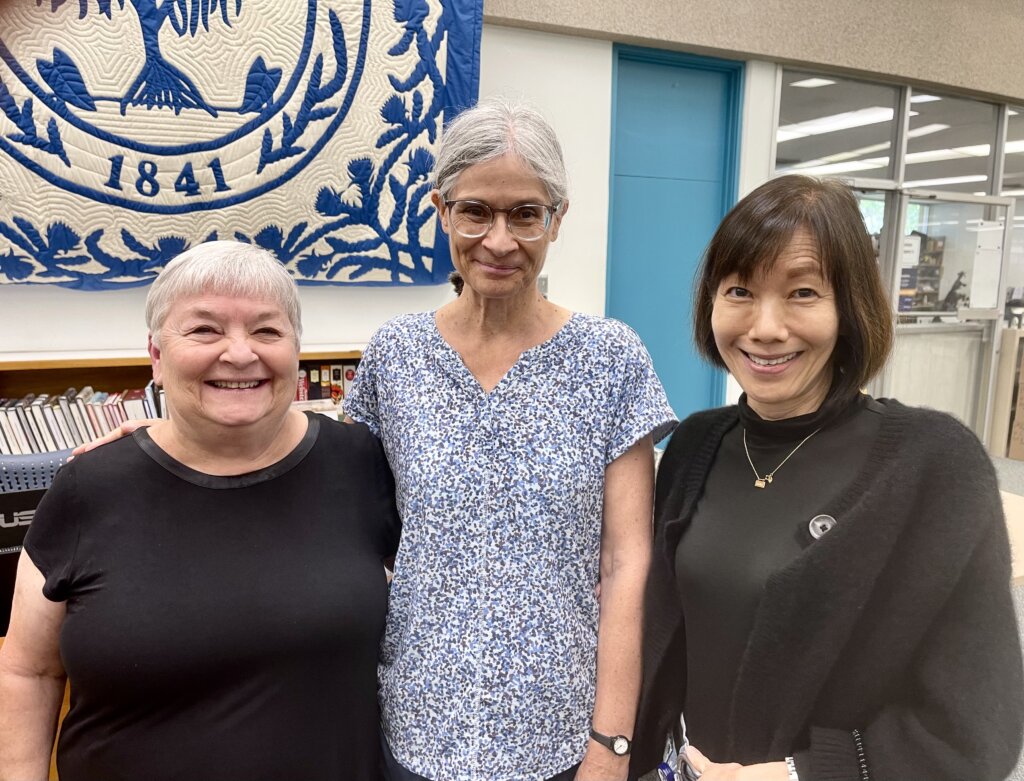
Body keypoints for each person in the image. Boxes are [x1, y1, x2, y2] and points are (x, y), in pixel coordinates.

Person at [631, 175, 1024, 781]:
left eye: (803, 293)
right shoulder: (693, 446)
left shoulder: (934, 467)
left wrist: (800, 774)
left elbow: (975, 731)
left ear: (851, 308)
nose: (764, 327)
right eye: (739, 290)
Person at [344, 98, 676, 781]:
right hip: (416, 727)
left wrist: (611, 745)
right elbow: (341, 505)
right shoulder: (395, 356)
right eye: (476, 211)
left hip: (558, 736)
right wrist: (177, 427)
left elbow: (626, 563)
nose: (499, 239)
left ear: (557, 219)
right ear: (441, 209)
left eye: (525, 213)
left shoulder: (610, 360)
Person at [0, 241, 400, 781]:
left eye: (266, 330)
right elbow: (29, 670)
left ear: (296, 349)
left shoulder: (362, 466)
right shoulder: (89, 486)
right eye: (204, 330)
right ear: (157, 357)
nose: (239, 353)